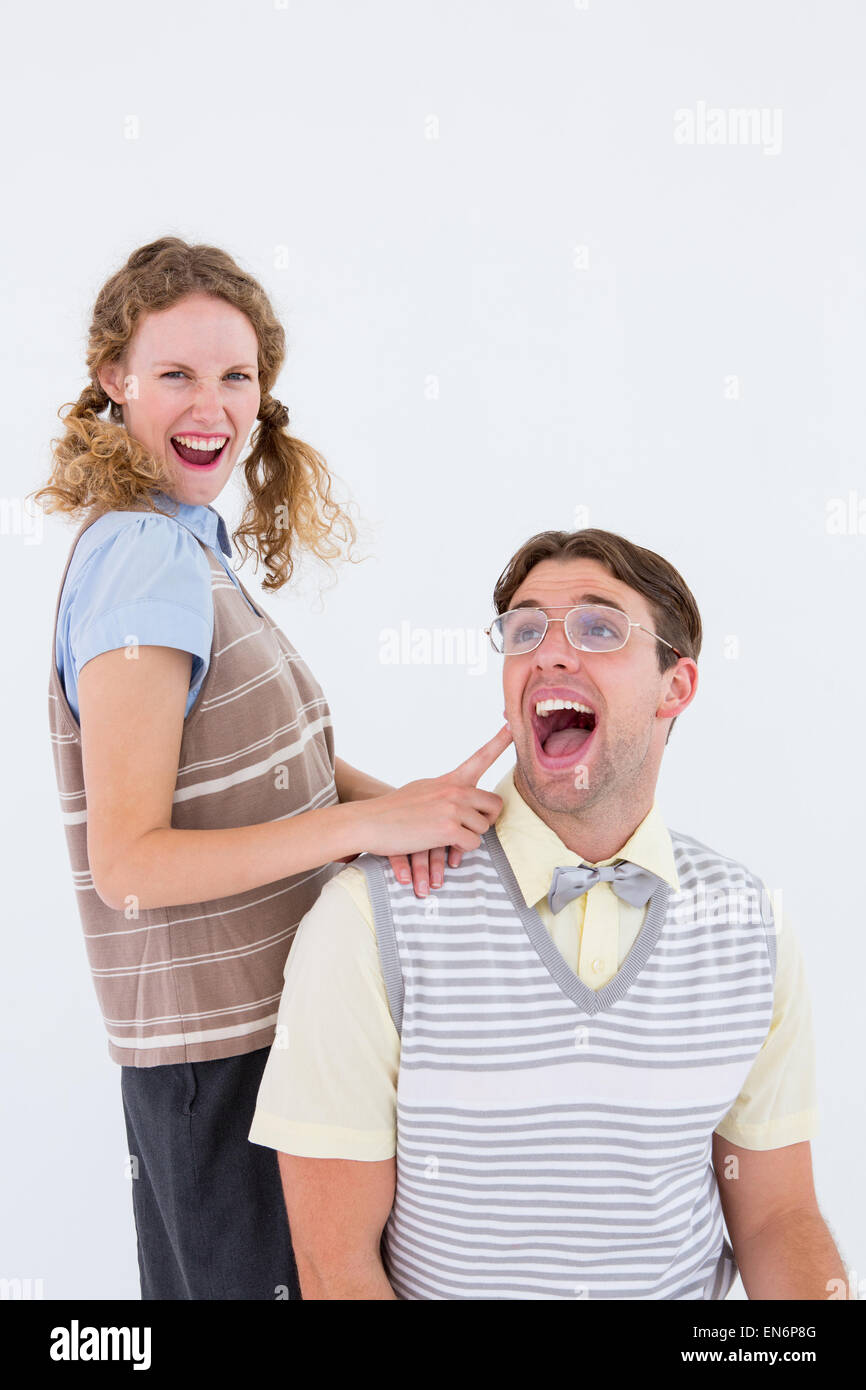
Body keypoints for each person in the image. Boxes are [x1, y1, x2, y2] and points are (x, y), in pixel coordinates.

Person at [35, 236, 510, 1301]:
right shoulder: (142, 560)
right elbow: (131, 862)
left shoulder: (183, 546)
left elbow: (281, 767)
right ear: (113, 378)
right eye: (175, 374)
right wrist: (361, 832)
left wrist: (434, 812)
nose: (212, 407)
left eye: (235, 376)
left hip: (264, 1044)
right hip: (222, 1065)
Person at [250, 526, 847, 1300]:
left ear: (678, 686)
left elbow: (776, 1219)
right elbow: (337, 1265)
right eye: (525, 630)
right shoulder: (372, 919)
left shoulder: (749, 924)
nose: (551, 653)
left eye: (599, 628)